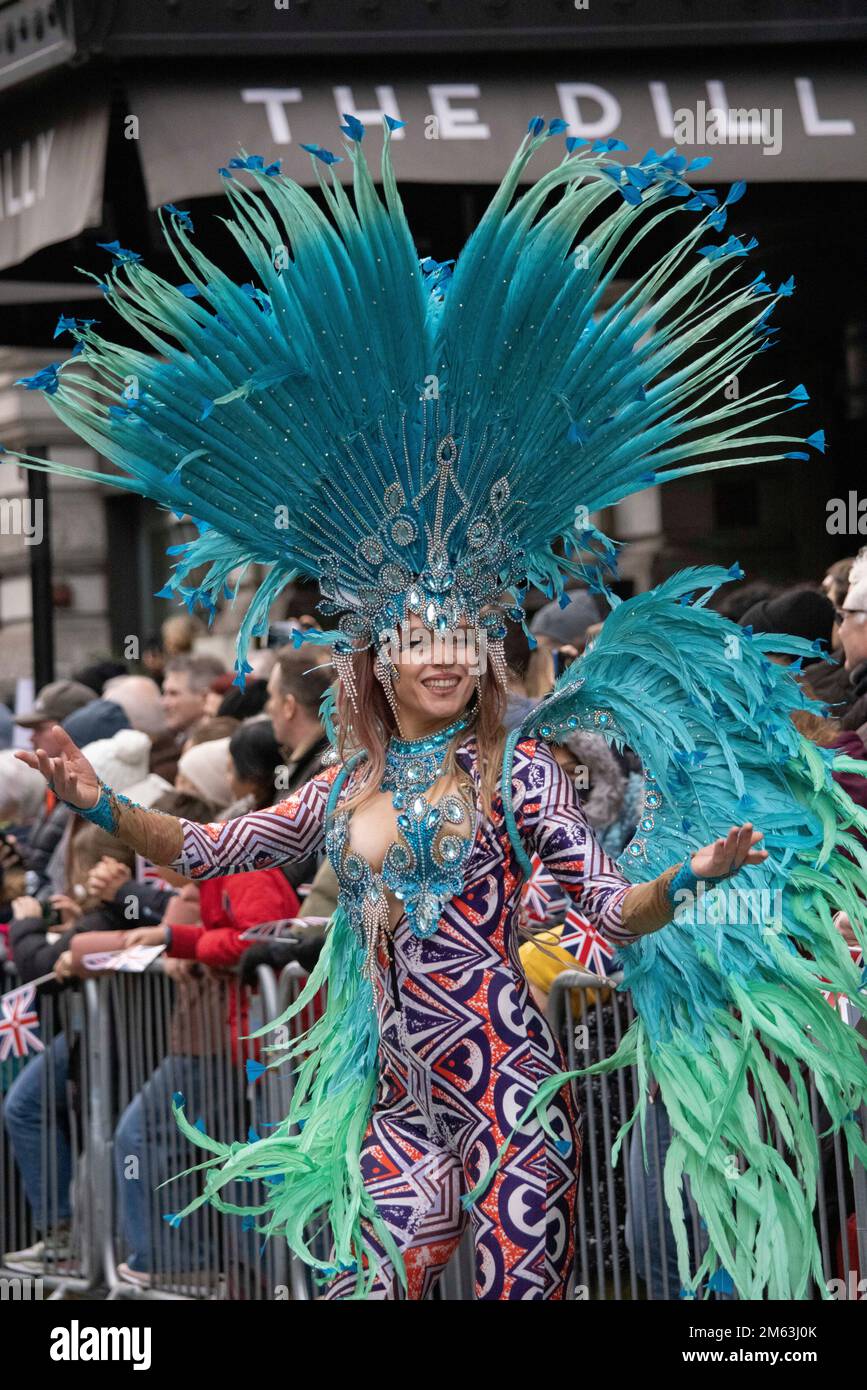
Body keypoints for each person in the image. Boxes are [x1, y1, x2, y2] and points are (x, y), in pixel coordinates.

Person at [10, 117, 863, 1304]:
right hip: (401, 1110)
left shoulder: (523, 778)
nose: (450, 654)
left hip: (514, 1110)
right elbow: (209, 847)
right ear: (378, 655)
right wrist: (98, 796)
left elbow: (607, 911)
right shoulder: (345, 787)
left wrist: (697, 875)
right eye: (422, 637)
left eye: (465, 632)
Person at [160, 655, 228, 749]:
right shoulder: (177, 740)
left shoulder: (216, 746)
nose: (164, 703)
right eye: (164, 693)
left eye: (173, 694)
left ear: (205, 698)